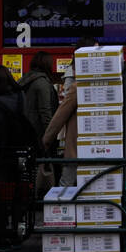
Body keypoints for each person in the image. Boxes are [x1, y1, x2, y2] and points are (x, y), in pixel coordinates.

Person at [0, 65, 42, 250]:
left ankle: (1, 234)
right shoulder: (21, 98)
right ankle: (17, 231)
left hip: (0, 154)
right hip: (21, 152)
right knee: (18, 192)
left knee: (0, 194)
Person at [42, 37, 98, 187]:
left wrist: (46, 140)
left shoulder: (78, 82)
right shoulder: (76, 82)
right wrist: (47, 138)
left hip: (80, 146)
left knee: (68, 187)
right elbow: (62, 113)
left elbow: (61, 114)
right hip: (89, 145)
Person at [18, 51, 58, 137]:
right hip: (39, 132)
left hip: (27, 129)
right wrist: (50, 135)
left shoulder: (26, 79)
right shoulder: (42, 83)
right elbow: (45, 111)